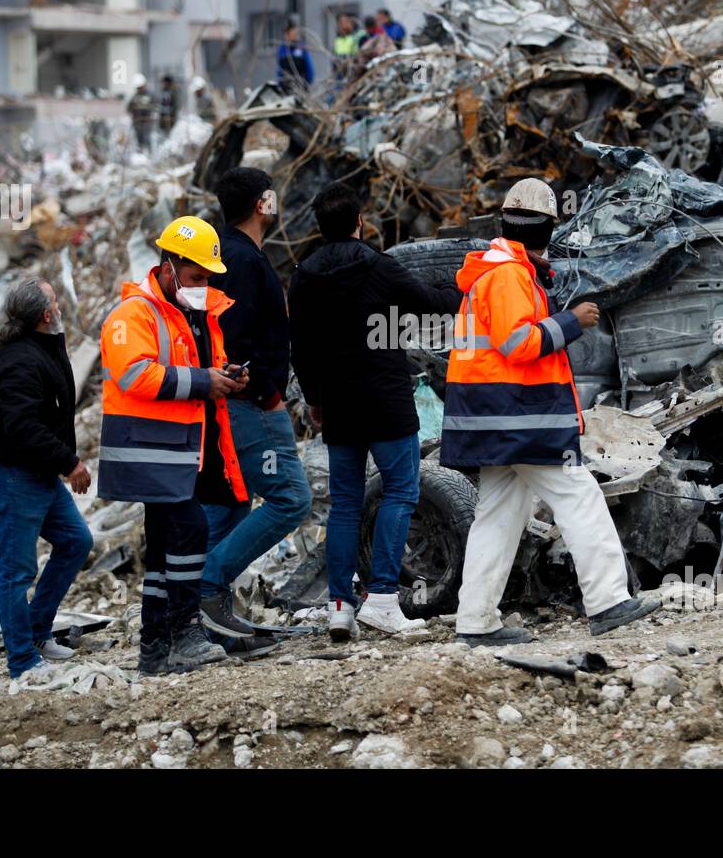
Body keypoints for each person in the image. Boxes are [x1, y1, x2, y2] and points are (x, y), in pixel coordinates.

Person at [440, 178, 663, 646]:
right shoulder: (507, 275)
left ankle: (476, 621)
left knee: (498, 515)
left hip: (497, 418)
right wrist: (571, 321)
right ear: (545, 229)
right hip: (518, 419)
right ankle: (608, 602)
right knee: (578, 496)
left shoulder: (501, 271)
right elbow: (518, 344)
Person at [289, 183, 462, 640]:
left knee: (344, 502)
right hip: (385, 400)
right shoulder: (377, 266)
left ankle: (340, 607)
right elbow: (431, 304)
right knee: (401, 491)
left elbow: (301, 347)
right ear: (359, 223)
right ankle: (383, 599)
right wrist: (461, 287)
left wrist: (314, 399)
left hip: (339, 403)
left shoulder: (304, 276)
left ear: (319, 228)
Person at [97, 216, 252, 675]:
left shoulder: (188, 316)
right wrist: (206, 381)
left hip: (181, 449)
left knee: (167, 547)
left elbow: (199, 368)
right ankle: (184, 635)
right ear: (168, 266)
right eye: (196, 277)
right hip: (150, 450)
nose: (203, 287)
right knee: (188, 532)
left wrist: (226, 376)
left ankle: (154, 648)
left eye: (207, 279)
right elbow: (135, 374)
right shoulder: (134, 314)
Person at [197, 167, 312, 657]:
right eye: (273, 194)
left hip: (236, 404)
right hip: (251, 406)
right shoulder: (242, 259)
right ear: (262, 203)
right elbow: (234, 332)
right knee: (290, 498)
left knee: (228, 508)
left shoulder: (229, 252)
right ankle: (206, 587)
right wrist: (259, 386)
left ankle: (204, 623)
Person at [0, 279, 94, 680]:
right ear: (45, 315)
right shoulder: (20, 361)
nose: (60, 306)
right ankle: (22, 661)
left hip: (36, 470)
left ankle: (38, 633)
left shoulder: (39, 346)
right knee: (17, 571)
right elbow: (22, 426)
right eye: (55, 301)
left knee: (76, 541)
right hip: (11, 475)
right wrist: (69, 462)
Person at [275, 23, 314, 92]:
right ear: (287, 35)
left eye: (296, 33)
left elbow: (309, 67)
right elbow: (280, 70)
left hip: (301, 86)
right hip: (286, 87)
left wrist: (308, 83)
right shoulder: (282, 49)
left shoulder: (302, 47)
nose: (296, 35)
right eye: (293, 33)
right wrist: (280, 85)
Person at [332, 13, 366, 85]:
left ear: (351, 22)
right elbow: (335, 58)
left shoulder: (359, 35)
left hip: (355, 72)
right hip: (341, 74)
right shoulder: (338, 39)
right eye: (340, 23)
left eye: (345, 21)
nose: (342, 25)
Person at [127, 74, 156, 150]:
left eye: (141, 87)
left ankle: (149, 153)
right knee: (139, 140)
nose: (140, 89)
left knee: (147, 138)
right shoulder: (135, 97)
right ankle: (141, 154)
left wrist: (153, 115)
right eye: (138, 88)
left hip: (147, 121)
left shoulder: (151, 96)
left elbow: (156, 106)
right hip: (138, 122)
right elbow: (129, 108)